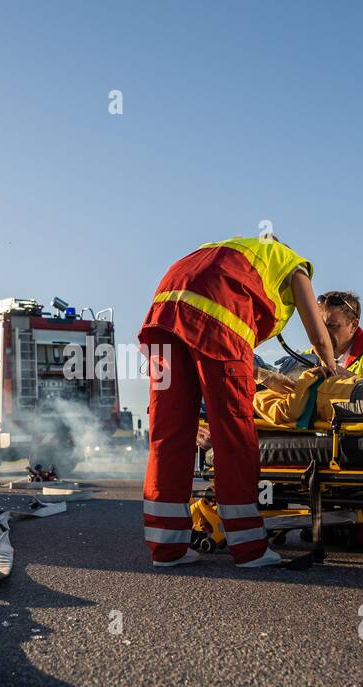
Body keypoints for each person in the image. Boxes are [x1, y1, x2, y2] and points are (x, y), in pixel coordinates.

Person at [140, 234, 340, 570]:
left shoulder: (233, 252)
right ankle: (250, 549)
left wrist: (266, 377)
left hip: (163, 319)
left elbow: (214, 339)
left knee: (169, 433)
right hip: (216, 320)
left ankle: (166, 548)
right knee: (234, 433)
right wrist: (331, 369)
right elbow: (318, 333)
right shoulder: (294, 265)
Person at [272, 290, 363, 382]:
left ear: (353, 325)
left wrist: (325, 367)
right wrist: (267, 373)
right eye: (320, 326)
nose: (324, 332)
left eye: (332, 326)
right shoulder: (310, 355)